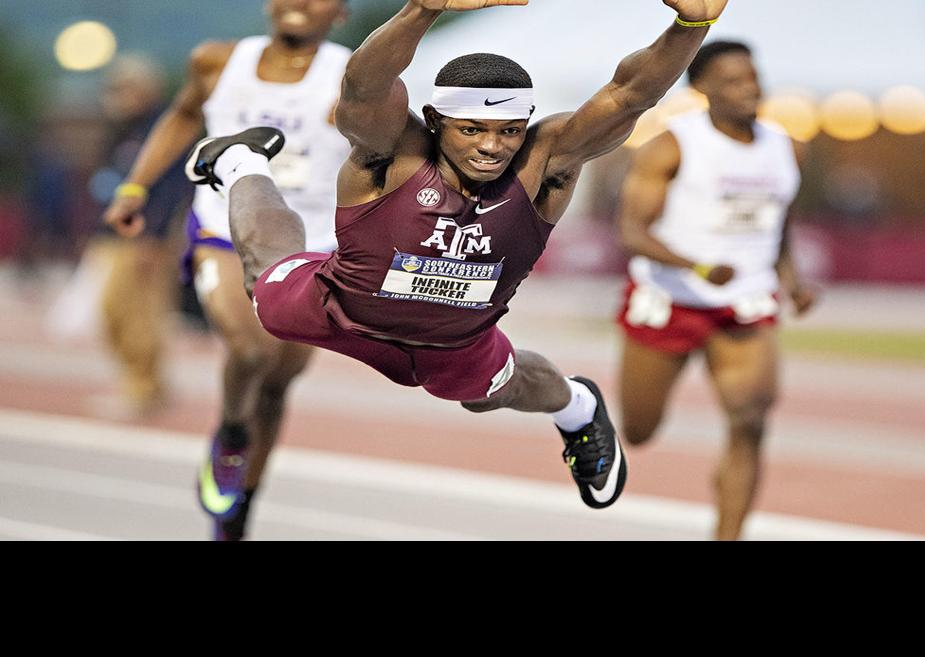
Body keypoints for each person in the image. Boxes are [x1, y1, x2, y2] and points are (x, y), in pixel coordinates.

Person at [182, 0, 730, 517]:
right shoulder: (392, 154)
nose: (492, 147)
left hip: (454, 342)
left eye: (508, 131)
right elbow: (362, 86)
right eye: (472, 129)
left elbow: (629, 94)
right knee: (265, 288)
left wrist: (689, 29)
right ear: (436, 122)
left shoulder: (546, 163)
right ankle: (241, 162)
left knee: (492, 395)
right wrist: (423, 8)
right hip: (338, 308)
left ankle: (578, 411)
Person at [103, 0, 353, 541]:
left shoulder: (353, 75)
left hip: (312, 244)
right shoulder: (217, 62)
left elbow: (385, 148)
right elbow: (185, 115)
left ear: (341, 11)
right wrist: (134, 186)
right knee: (251, 348)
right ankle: (232, 431)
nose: (300, 3)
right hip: (224, 229)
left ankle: (237, 516)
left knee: (278, 385)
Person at [615, 41, 818, 540]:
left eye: (752, 76)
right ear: (700, 88)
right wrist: (698, 267)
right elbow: (633, 232)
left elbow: (779, 224)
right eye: (731, 80)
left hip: (745, 302)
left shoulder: (786, 145)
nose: (748, 88)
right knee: (639, 431)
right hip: (669, 300)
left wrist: (792, 280)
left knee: (750, 420)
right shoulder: (672, 144)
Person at [93, 55, 193, 419]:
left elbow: (173, 188)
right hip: (114, 233)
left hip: (147, 236)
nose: (117, 96)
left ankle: (144, 387)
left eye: (124, 88)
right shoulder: (123, 128)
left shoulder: (163, 129)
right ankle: (144, 381)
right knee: (113, 310)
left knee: (140, 313)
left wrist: (156, 235)